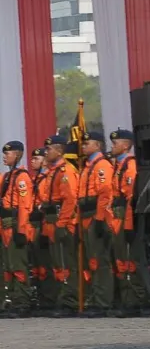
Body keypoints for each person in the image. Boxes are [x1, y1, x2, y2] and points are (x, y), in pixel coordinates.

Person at [77, 130, 116, 314]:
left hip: (95, 216)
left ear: (98, 145)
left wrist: (100, 219)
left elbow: (105, 193)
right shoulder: (87, 165)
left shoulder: (101, 166)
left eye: (87, 143)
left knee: (100, 260)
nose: (83, 146)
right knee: (91, 260)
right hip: (86, 216)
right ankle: (96, 297)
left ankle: (104, 301)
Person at [43, 135, 79, 315]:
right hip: (51, 220)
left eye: (49, 149)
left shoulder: (66, 171)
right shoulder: (52, 171)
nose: (46, 152)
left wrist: (62, 224)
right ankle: (62, 297)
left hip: (61, 220)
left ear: (59, 150)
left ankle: (70, 300)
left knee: (66, 262)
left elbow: (70, 200)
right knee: (57, 263)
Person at [108, 128, 142, 314]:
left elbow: (130, 199)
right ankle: (127, 299)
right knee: (121, 262)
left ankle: (138, 299)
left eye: (116, 142)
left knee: (130, 261)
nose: (112, 146)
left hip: (126, 219)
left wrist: (128, 225)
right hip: (117, 219)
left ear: (127, 145)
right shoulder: (119, 167)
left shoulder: (130, 166)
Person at [0, 141, 34, 316]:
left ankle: (22, 301)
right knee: (8, 266)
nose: (5, 156)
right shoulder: (7, 176)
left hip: (15, 225)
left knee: (18, 265)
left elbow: (24, 206)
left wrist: (22, 230)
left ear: (18, 155)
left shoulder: (22, 177)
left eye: (9, 153)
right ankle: (12, 299)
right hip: (5, 225)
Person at [28, 146, 53, 308]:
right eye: (32, 158)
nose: (33, 161)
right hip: (33, 223)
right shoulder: (34, 178)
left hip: (44, 222)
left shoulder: (47, 178)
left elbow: (46, 200)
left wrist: (40, 208)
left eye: (37, 158)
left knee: (46, 263)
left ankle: (49, 298)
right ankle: (41, 298)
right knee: (35, 264)